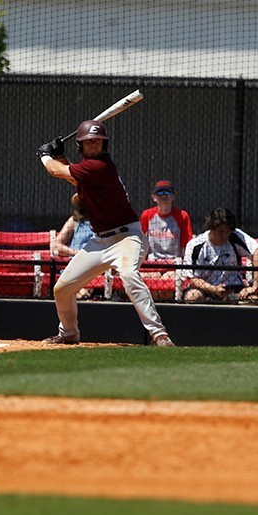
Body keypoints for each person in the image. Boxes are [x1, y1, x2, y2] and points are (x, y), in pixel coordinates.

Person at [36, 120, 174, 346]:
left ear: (104, 145)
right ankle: (69, 333)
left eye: (97, 142)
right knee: (62, 289)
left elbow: (55, 171)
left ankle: (159, 334)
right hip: (100, 241)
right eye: (89, 142)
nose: (93, 146)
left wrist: (44, 155)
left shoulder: (101, 166)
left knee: (129, 275)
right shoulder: (88, 171)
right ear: (80, 146)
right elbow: (72, 177)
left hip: (127, 237)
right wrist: (60, 155)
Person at [181, 208, 258, 303]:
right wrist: (214, 289)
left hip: (233, 286)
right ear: (212, 227)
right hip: (205, 288)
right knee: (193, 297)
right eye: (221, 231)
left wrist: (254, 286)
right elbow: (193, 279)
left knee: (252, 299)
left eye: (227, 231)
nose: (225, 235)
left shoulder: (235, 236)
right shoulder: (195, 245)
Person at [140, 180, 193, 300]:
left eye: (167, 193)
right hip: (153, 264)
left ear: (173, 196)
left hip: (174, 264)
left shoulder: (182, 216)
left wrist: (184, 268)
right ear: (154, 197)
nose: (163, 196)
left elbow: (187, 245)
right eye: (159, 193)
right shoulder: (147, 215)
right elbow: (140, 243)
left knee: (166, 286)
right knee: (150, 284)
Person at [52, 199, 97, 299]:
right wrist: (77, 253)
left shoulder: (103, 222)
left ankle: (82, 294)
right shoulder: (74, 221)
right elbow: (56, 245)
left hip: (95, 266)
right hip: (73, 263)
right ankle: (83, 295)